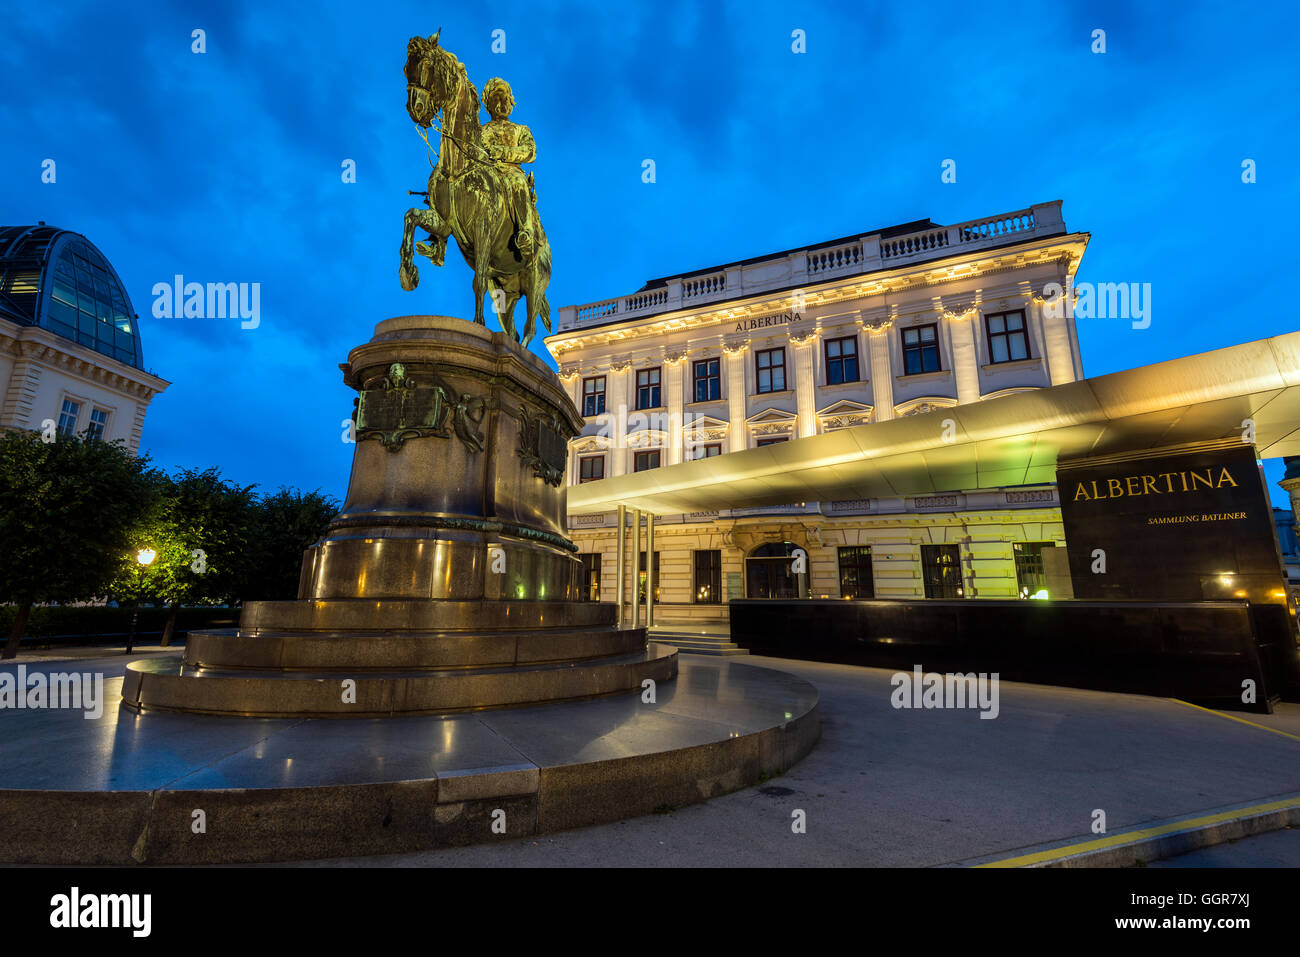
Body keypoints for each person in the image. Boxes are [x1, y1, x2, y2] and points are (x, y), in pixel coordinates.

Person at [480, 77, 537, 264]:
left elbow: (530, 152)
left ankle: (525, 233)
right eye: (497, 98)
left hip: (511, 172)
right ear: (488, 103)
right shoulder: (480, 131)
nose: (502, 102)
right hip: (487, 174)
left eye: (506, 98)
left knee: (518, 182)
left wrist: (501, 152)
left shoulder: (520, 130)